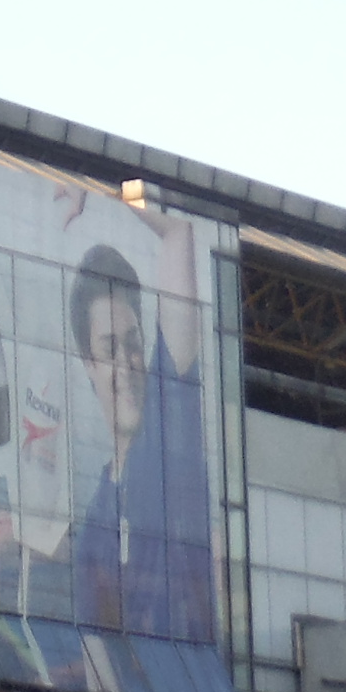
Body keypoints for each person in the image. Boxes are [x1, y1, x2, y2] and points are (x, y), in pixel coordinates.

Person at [57, 191, 215, 642]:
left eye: (133, 343)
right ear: (88, 363)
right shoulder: (92, 527)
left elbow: (178, 233)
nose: (126, 365)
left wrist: (103, 178)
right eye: (109, 348)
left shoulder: (171, 423)